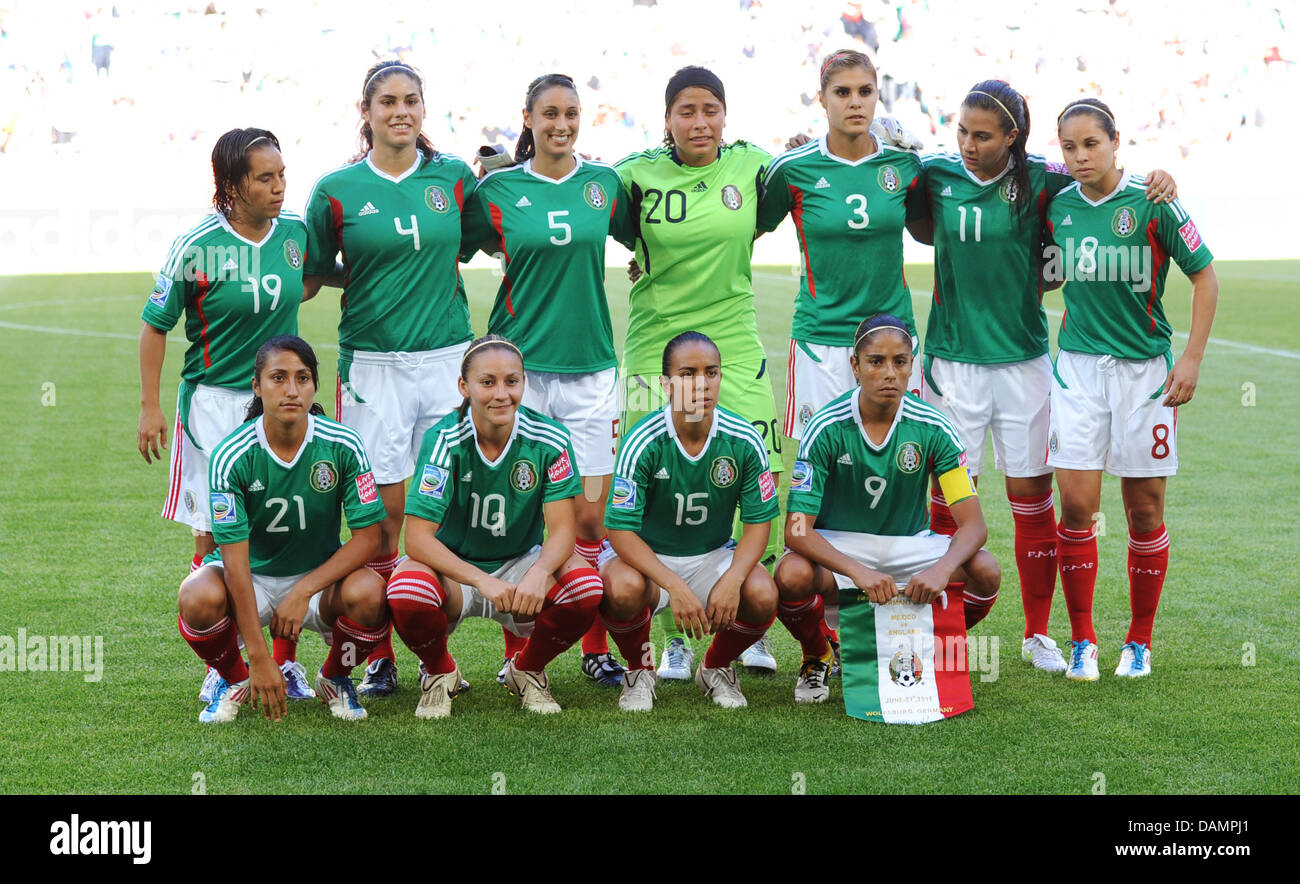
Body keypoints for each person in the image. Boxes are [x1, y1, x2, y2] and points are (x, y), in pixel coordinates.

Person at [915, 81, 1179, 673]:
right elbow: (883, 177)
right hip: (950, 364)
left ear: (1013, 137)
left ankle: (1038, 635)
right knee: (946, 506)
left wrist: (1159, 177)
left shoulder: (1046, 178)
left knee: (1032, 501)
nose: (968, 144)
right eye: (962, 131)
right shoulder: (934, 174)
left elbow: (1107, 185)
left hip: (1026, 363)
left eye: (982, 135)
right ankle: (941, 635)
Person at [303, 60, 477, 696]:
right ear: (367, 111)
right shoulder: (336, 189)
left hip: (448, 361)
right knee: (381, 514)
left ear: (424, 110)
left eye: (411, 100)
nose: (400, 110)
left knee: (444, 506)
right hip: (373, 364)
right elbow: (314, 270)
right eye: (387, 101)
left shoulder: (454, 178)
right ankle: (377, 653)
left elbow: (490, 240)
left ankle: (437, 649)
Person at [756, 49, 929, 673]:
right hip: (822, 342)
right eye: (843, 92)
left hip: (890, 343)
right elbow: (739, 227)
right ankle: (818, 632)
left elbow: (940, 226)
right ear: (822, 98)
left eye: (866, 91)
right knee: (814, 472)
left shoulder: (904, 168)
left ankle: (896, 606)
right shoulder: (794, 170)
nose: (856, 102)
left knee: (901, 465)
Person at [461, 73, 634, 687]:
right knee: (521, 514)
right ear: (528, 118)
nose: (562, 124)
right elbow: (449, 248)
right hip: (519, 375)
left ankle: (593, 646)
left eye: (572, 113)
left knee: (590, 519)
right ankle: (517, 656)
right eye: (550, 113)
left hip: (590, 373)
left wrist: (642, 258)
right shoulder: (499, 190)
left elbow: (640, 237)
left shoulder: (603, 184)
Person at [614, 65, 783, 680]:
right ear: (666, 119)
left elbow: (804, 182)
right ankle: (675, 633)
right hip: (653, 345)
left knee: (752, 471)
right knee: (653, 474)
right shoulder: (632, 175)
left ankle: (743, 627)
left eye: (710, 109)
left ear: (725, 114)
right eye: (686, 110)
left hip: (733, 345)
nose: (699, 122)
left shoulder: (754, 167)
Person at [137, 127, 316, 702]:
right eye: (265, 177)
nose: (279, 187)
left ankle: (285, 664)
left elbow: (307, 279)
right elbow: (154, 326)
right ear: (232, 185)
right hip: (215, 406)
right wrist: (150, 406)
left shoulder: (294, 234)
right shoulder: (198, 246)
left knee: (286, 530)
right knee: (215, 535)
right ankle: (226, 664)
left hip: (282, 401)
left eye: (282, 174)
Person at [1044, 98, 1218, 680]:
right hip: (1078, 369)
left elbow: (1205, 277)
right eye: (1069, 147)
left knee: (1143, 509)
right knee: (1075, 505)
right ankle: (1083, 640)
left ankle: (1139, 642)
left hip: (1146, 373)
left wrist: (1190, 358)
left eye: (1091, 144)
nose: (1080, 156)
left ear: (1116, 142)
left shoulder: (1154, 200)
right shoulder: (1057, 203)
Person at [775, 314, 1001, 704]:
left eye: (900, 361)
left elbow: (973, 525)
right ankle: (819, 653)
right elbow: (797, 530)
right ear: (855, 366)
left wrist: (942, 568)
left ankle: (926, 646)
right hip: (842, 551)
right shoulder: (825, 427)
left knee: (985, 569)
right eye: (876, 361)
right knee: (791, 573)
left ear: (913, 366)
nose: (889, 373)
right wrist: (858, 571)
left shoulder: (934, 427)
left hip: (910, 546)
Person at [385, 336, 603, 718]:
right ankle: (440, 672)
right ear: (464, 388)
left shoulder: (549, 438)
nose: (501, 394)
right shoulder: (444, 440)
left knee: (585, 587)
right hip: (452, 571)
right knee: (407, 590)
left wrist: (539, 572)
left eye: (512, 381)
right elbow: (417, 539)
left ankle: (528, 670)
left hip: (520, 565)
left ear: (523, 383)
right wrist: (480, 580)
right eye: (487, 383)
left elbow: (563, 530)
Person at [176, 336, 390, 724]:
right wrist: (258, 658)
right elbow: (235, 565)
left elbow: (368, 539)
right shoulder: (231, 455)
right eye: (278, 378)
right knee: (196, 597)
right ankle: (233, 679)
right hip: (251, 579)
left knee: (371, 594)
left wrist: (303, 590)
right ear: (257, 386)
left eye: (302, 378)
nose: (292, 390)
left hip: (316, 582)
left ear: (313, 385)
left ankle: (336, 676)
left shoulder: (344, 444)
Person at [597, 332, 780, 711]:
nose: (701, 383)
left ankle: (715, 668)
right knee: (622, 589)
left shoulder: (744, 438)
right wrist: (674, 584)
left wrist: (732, 579)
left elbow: (758, 524)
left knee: (762, 594)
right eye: (687, 373)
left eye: (711, 372)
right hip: (647, 560)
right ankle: (640, 669)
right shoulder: (643, 440)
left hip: (712, 555)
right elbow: (619, 530)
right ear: (665, 384)